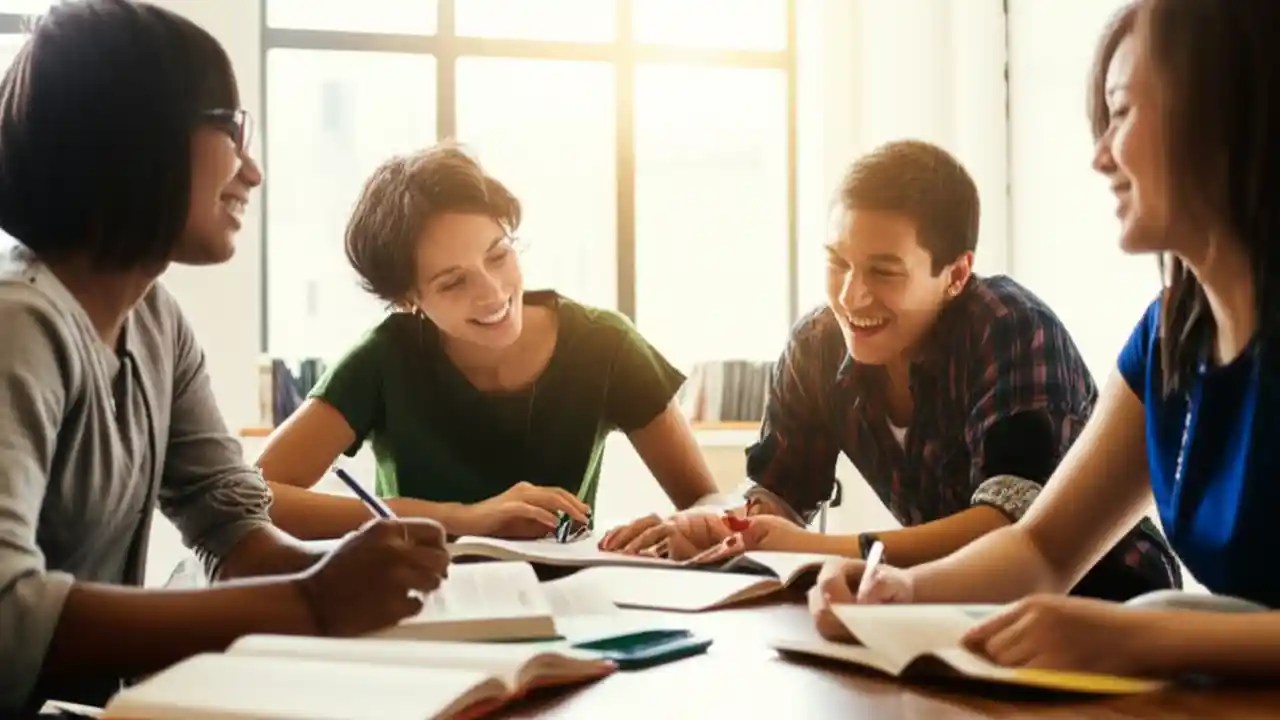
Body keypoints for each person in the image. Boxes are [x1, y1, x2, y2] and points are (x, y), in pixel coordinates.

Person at [0, 2, 450, 713]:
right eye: (234, 131)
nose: (253, 172)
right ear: (137, 136)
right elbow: (7, 615)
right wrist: (311, 602)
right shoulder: (17, 327)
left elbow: (232, 527)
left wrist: (359, 577)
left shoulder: (155, 321)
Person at [811, 0, 1280, 680]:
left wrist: (1144, 636)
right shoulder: (1167, 339)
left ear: (1226, 110)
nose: (1100, 157)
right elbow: (1043, 550)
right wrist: (898, 590)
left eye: (1120, 113)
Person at [607, 139, 1179, 601]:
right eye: (838, 263)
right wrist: (722, 527)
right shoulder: (816, 346)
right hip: (938, 605)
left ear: (956, 275)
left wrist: (814, 550)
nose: (850, 296)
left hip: (1104, 601)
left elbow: (1006, 527)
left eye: (884, 272)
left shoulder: (1009, 326)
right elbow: (778, 498)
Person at [256, 144, 720, 541]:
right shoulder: (385, 358)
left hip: (570, 598)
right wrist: (461, 519)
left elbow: (707, 500)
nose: (493, 293)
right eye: (453, 282)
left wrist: (683, 526)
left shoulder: (605, 343)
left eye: (498, 255)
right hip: (426, 595)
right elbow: (254, 496)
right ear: (408, 299)